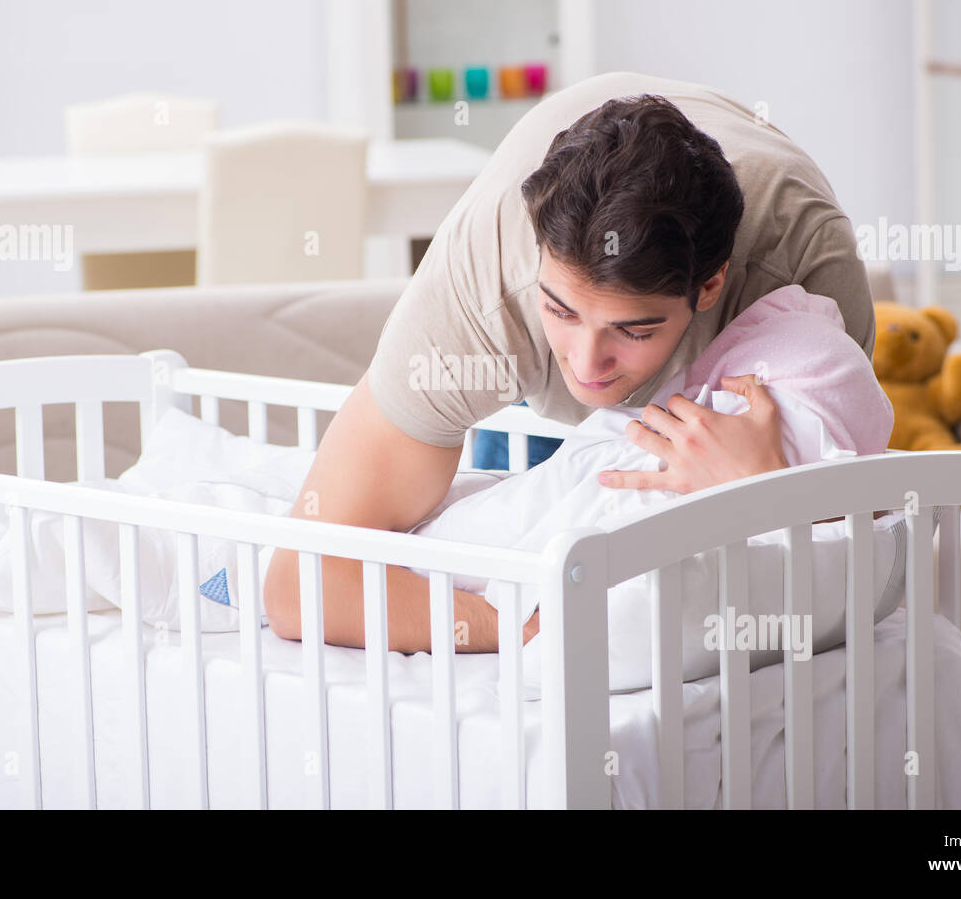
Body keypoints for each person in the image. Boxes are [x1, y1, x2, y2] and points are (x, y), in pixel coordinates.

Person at [263, 72, 876, 654]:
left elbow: (873, 538)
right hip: (518, 362)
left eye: (633, 329)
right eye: (561, 311)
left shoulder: (804, 277)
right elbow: (301, 584)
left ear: (710, 288)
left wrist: (768, 492)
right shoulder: (478, 302)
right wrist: (522, 627)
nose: (587, 365)